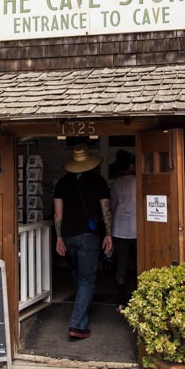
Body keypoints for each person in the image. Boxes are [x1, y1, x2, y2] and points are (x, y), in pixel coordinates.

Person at [54, 145, 112, 341]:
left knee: (79, 275)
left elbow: (58, 214)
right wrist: (109, 234)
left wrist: (59, 238)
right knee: (87, 278)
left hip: (69, 236)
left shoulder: (62, 183)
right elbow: (106, 211)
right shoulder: (99, 181)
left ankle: (82, 316)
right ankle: (77, 325)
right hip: (89, 235)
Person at [109, 150, 137, 308]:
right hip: (137, 227)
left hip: (119, 227)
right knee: (140, 262)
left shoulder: (115, 183)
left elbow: (112, 207)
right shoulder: (138, 181)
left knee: (122, 264)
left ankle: (121, 301)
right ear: (132, 165)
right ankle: (141, 296)